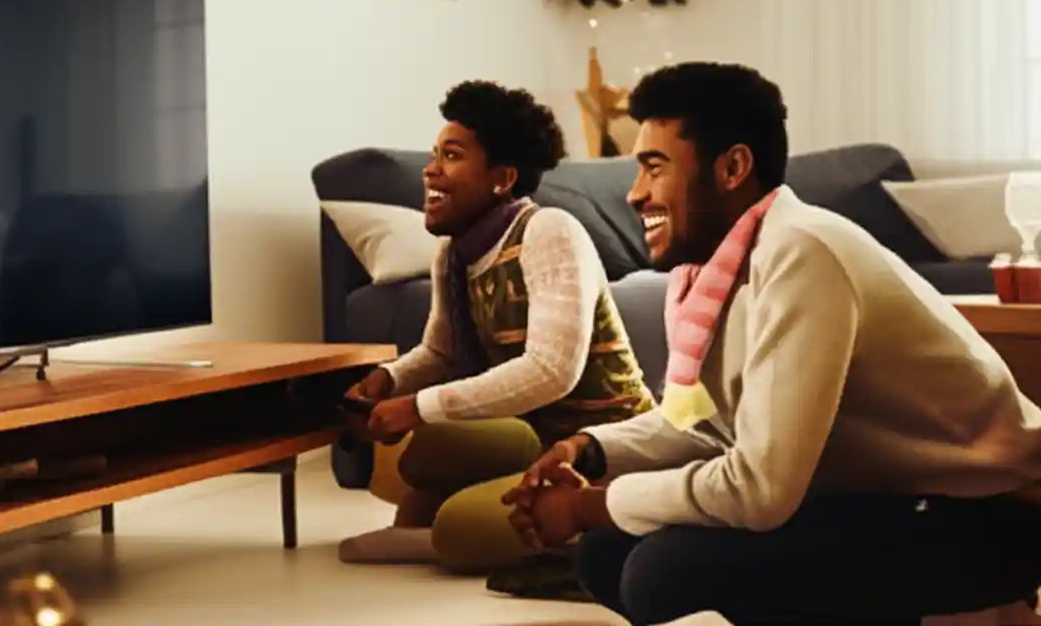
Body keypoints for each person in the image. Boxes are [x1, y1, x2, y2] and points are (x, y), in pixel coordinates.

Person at [502, 62, 1041, 625]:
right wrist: (587, 450)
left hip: (989, 513)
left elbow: (759, 490)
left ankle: (971, 612)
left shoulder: (802, 252)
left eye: (655, 168)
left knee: (662, 572)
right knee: (607, 557)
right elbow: (700, 424)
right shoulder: (705, 276)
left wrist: (591, 505)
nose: (636, 195)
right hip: (883, 499)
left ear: (733, 166)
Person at [337, 80, 652, 573]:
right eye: (435, 153)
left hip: (593, 446)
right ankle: (447, 529)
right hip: (527, 437)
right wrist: (389, 381)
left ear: (502, 179)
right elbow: (439, 354)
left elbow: (552, 371)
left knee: (457, 527)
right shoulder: (453, 254)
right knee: (420, 465)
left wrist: (418, 407)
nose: (431, 169)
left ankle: (557, 525)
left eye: (453, 155)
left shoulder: (548, 231)